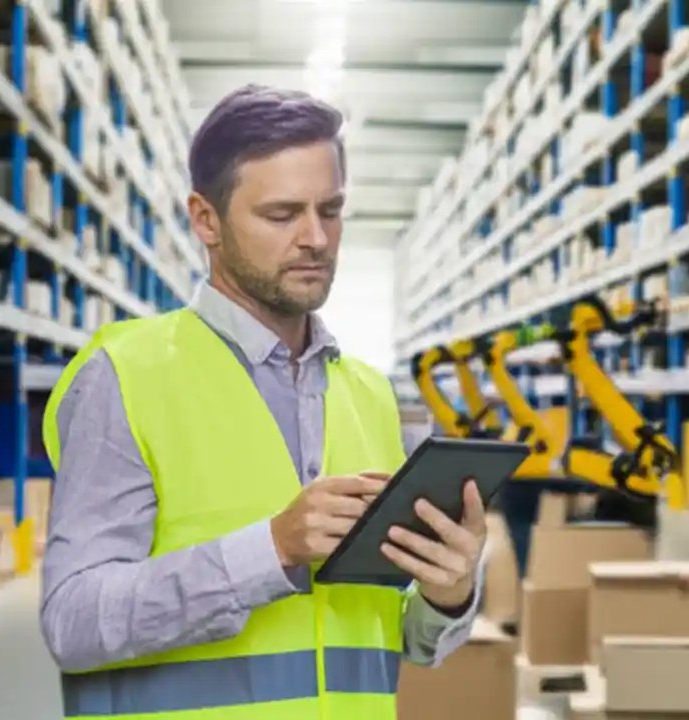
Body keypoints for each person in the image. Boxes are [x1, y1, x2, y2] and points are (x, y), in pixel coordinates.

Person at [38, 84, 486, 718]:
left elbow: (389, 639)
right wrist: (272, 549)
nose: (317, 239)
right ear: (205, 220)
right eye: (282, 214)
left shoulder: (368, 394)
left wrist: (450, 593)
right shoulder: (126, 377)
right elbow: (74, 623)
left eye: (330, 211)